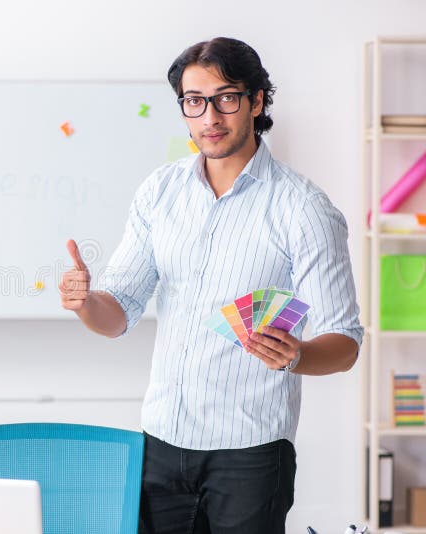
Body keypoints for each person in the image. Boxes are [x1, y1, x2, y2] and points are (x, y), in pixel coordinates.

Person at [59, 37, 363, 534]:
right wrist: (86, 303)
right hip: (161, 442)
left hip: (250, 453)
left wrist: (294, 355)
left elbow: (345, 344)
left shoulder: (303, 209)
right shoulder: (160, 192)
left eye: (226, 98)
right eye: (194, 101)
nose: (210, 117)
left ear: (257, 100)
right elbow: (119, 314)